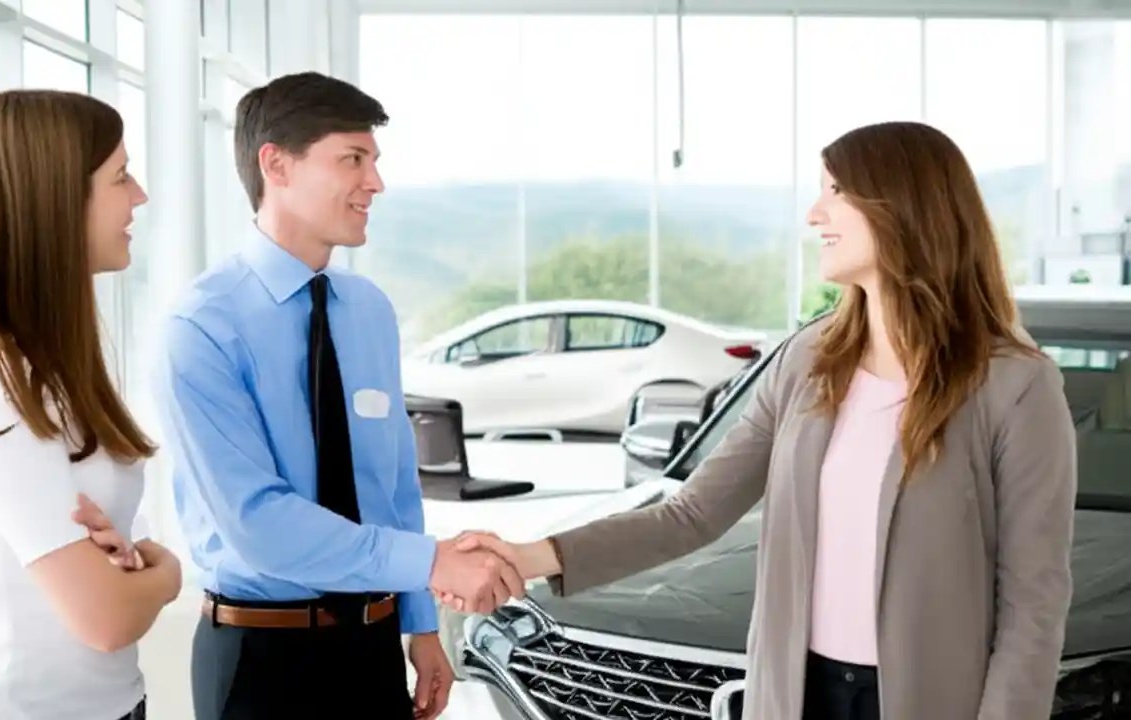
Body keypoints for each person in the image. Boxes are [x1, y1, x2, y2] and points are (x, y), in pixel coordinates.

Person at [449, 121, 1077, 720]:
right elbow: (691, 513)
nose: (815, 214)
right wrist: (528, 555)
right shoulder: (807, 360)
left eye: (835, 191)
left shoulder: (1015, 384)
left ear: (902, 206)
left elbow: (1033, 602)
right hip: (797, 694)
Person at [155, 70, 523, 720]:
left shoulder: (368, 311)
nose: (374, 182)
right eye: (352, 159)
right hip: (258, 660)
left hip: (374, 644)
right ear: (277, 165)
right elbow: (260, 524)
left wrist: (422, 624)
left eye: (374, 160)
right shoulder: (201, 326)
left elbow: (392, 487)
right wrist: (432, 562)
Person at [0, 90, 182, 720]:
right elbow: (105, 618)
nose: (139, 197)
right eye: (120, 176)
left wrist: (131, 569)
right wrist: (166, 575)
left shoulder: (41, 363)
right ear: (54, 199)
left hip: (114, 706)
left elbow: (103, 582)